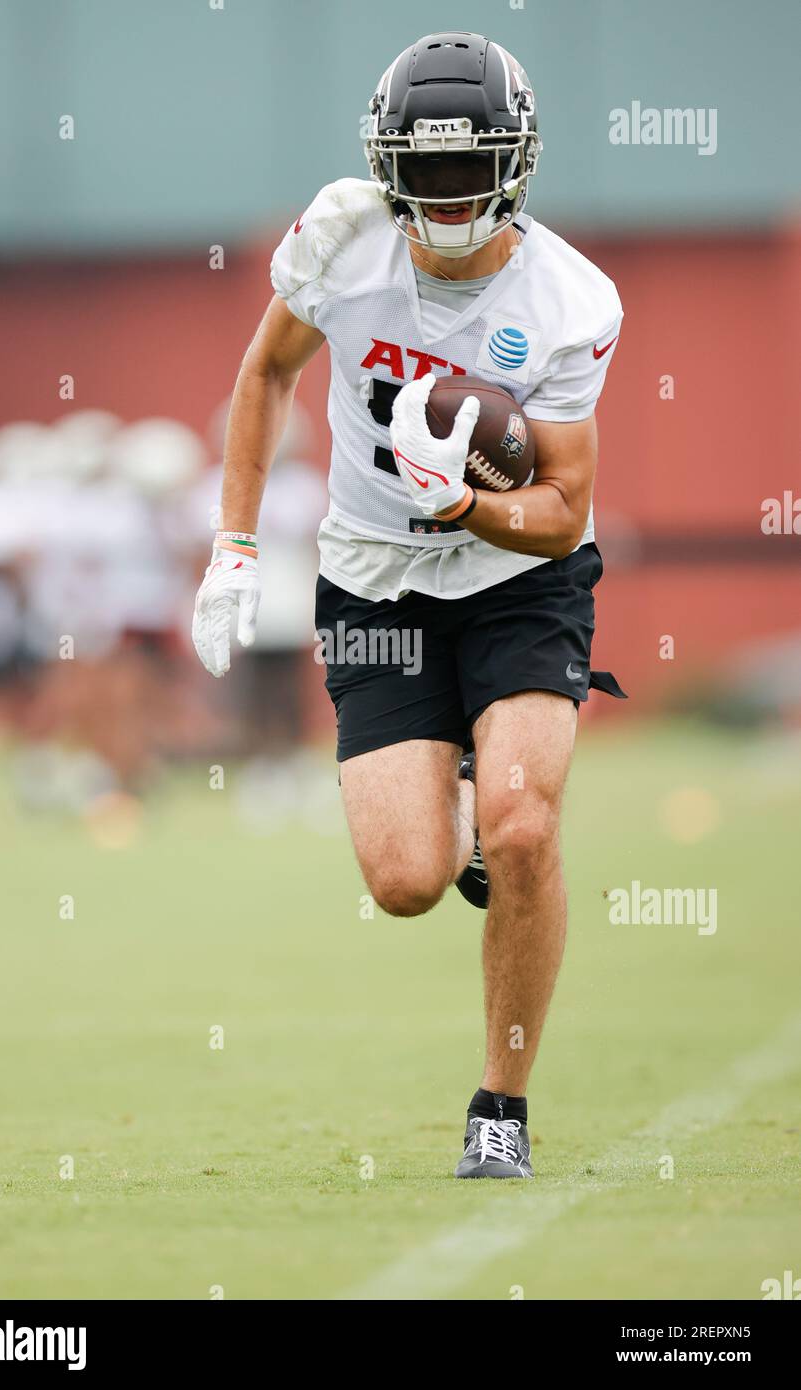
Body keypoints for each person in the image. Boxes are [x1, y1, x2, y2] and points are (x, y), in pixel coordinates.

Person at [192, 31, 625, 1178]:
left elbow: (562, 510)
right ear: (383, 165)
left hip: (514, 582)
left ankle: (500, 1106)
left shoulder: (571, 298)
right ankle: (469, 808)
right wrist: (233, 546)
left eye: (464, 168)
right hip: (372, 577)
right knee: (404, 881)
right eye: (422, 170)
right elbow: (266, 373)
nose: (444, 195)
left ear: (516, 162)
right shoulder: (338, 238)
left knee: (526, 824)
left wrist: (464, 508)